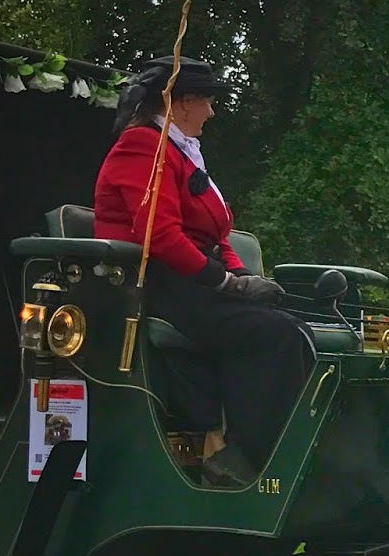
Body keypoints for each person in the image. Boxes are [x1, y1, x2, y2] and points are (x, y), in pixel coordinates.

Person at [93, 56, 313, 488]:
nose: (212, 113)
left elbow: (215, 234)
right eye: (207, 102)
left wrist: (241, 276)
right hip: (153, 284)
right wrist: (227, 282)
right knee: (274, 335)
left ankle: (261, 451)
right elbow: (159, 236)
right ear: (180, 104)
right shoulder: (144, 146)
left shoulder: (180, 151)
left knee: (291, 325)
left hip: (189, 280)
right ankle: (243, 457)